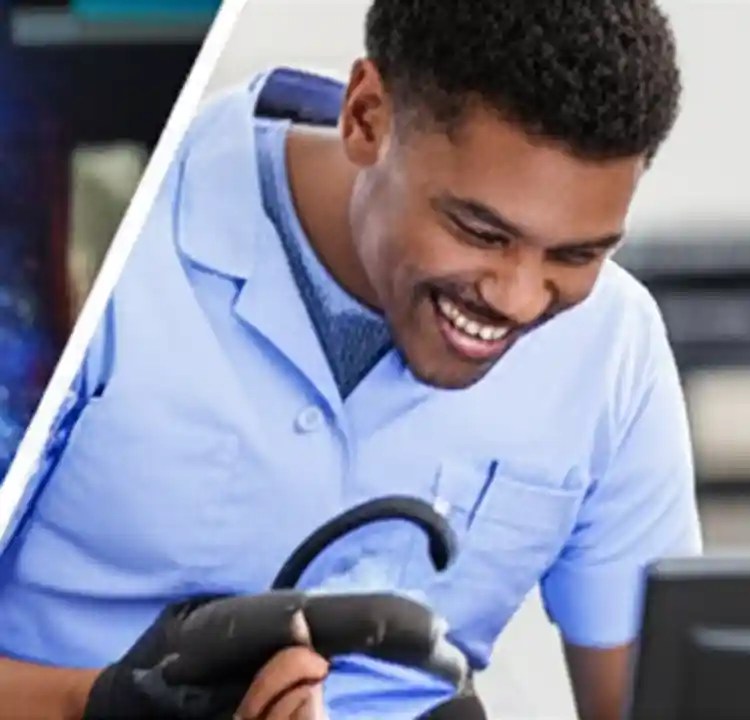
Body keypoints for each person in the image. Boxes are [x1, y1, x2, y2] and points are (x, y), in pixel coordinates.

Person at [0, 1, 701, 719]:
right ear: (366, 117)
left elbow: (659, 702)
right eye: (479, 231)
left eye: (575, 254)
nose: (519, 299)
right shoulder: (103, 252)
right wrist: (100, 706)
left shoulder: (614, 346)